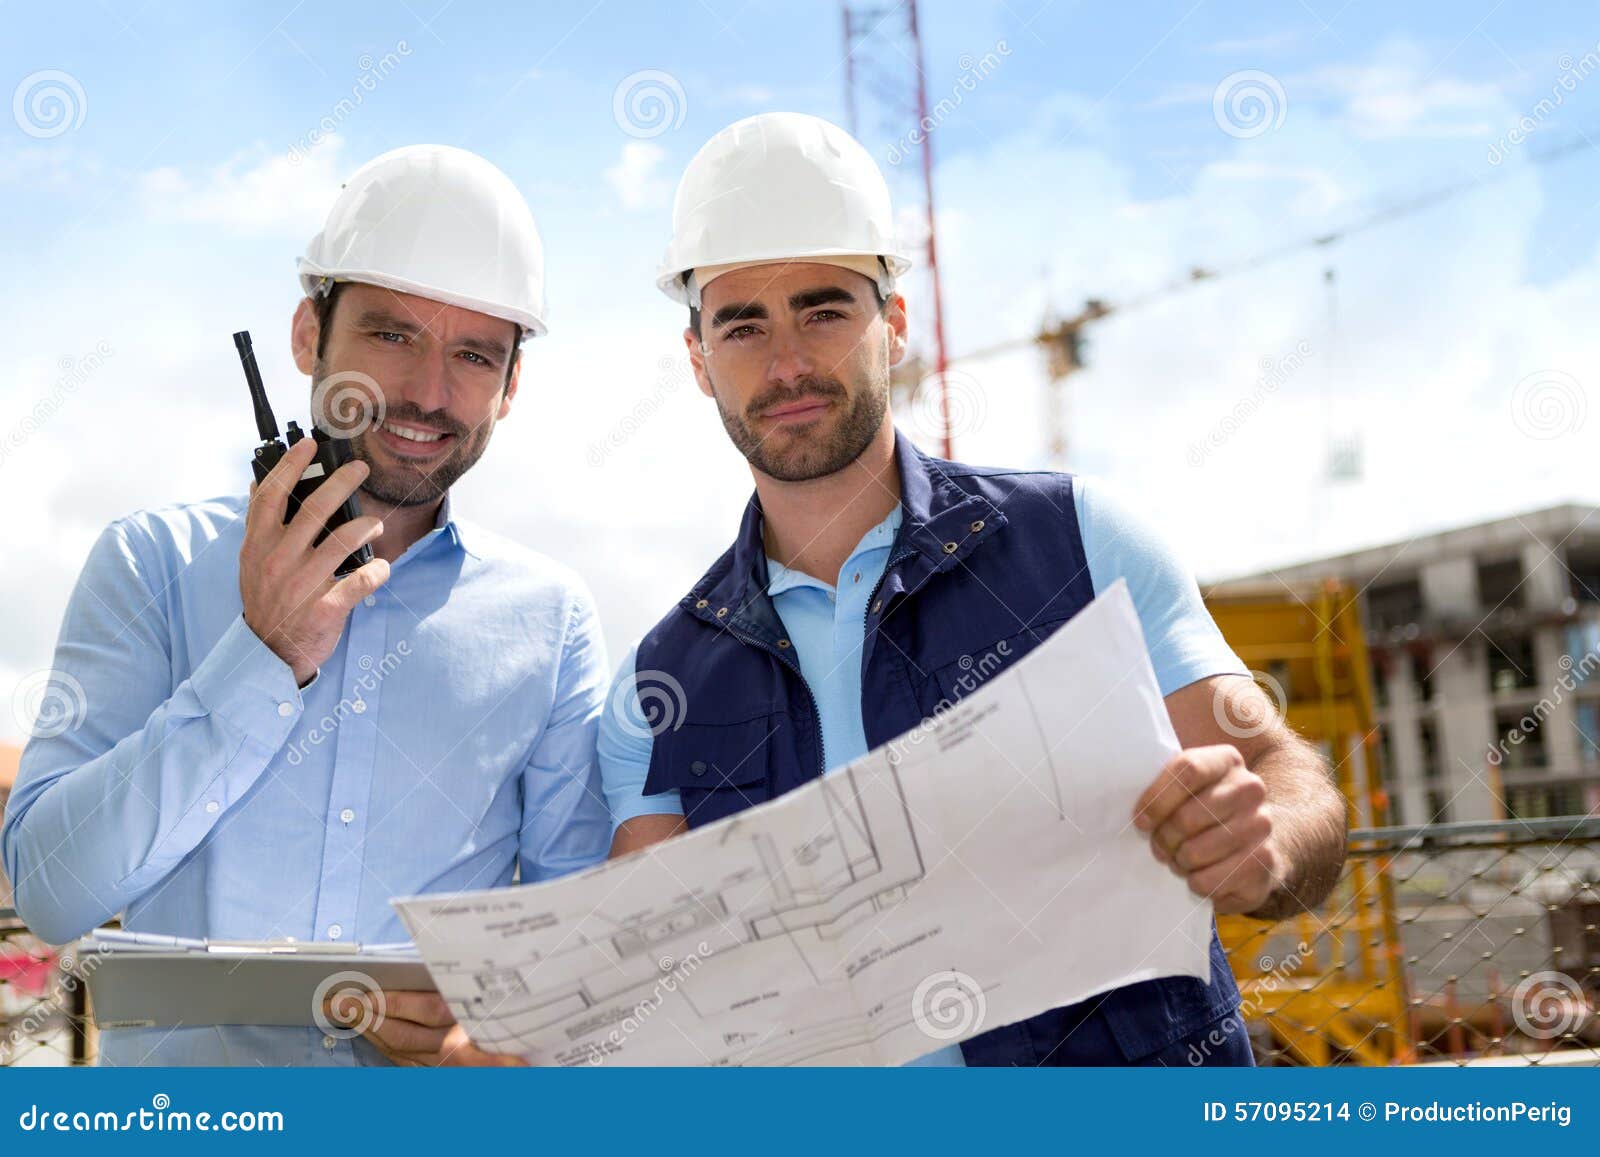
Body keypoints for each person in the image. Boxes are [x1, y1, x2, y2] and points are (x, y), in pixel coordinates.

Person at [599, 112, 1347, 1066]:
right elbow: (667, 998)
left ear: (895, 325)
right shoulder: (657, 687)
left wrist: (1266, 839)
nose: (786, 362)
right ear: (699, 361)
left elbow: (1286, 782)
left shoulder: (1078, 541)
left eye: (824, 310)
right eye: (743, 325)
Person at [1, 145, 609, 1067]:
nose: (428, 392)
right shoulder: (149, 564)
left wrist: (503, 1037)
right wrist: (263, 650)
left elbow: (578, 963)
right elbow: (52, 890)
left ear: (512, 385)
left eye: (475, 354)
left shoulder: (552, 623)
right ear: (305, 334)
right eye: (391, 335)